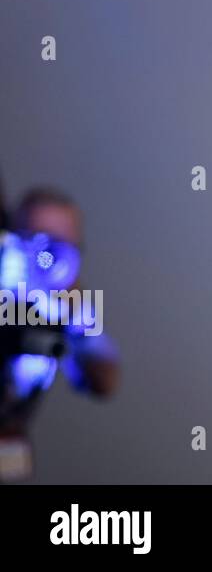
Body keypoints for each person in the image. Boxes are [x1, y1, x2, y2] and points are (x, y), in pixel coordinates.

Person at [0, 187, 119, 481]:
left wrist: (70, 318)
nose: (50, 259)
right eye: (41, 242)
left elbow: (104, 380)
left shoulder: (70, 305)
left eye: (65, 248)